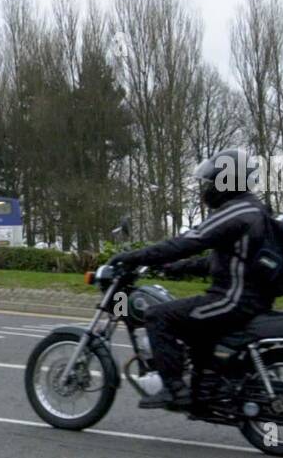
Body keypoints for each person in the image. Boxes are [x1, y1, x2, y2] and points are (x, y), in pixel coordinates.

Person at [109, 147, 273, 411]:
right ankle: (203, 384)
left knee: (158, 316)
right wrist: (177, 267)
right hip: (249, 298)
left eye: (211, 181)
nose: (206, 187)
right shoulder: (254, 210)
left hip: (233, 300)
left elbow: (189, 241)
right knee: (189, 322)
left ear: (226, 181)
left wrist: (136, 256)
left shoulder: (235, 212)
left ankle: (174, 389)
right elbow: (225, 261)